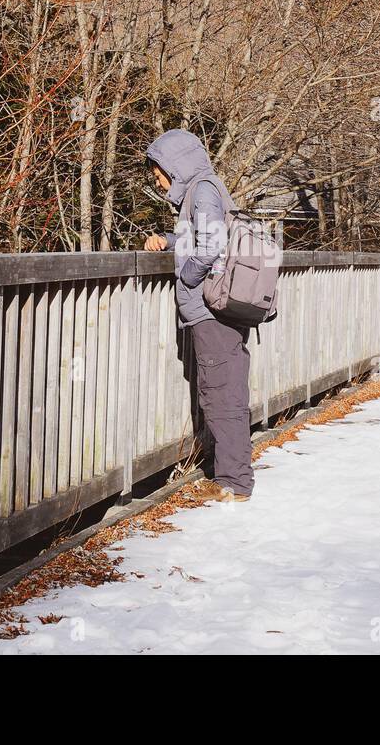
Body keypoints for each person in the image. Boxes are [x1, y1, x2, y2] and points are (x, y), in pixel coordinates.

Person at [143, 128, 253, 502]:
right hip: (215, 312)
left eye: (159, 172)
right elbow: (200, 237)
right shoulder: (201, 190)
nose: (157, 180)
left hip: (211, 313)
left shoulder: (202, 189)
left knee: (221, 396)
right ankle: (234, 478)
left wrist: (187, 280)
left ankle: (235, 484)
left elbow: (211, 245)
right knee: (225, 392)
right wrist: (169, 240)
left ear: (175, 166)